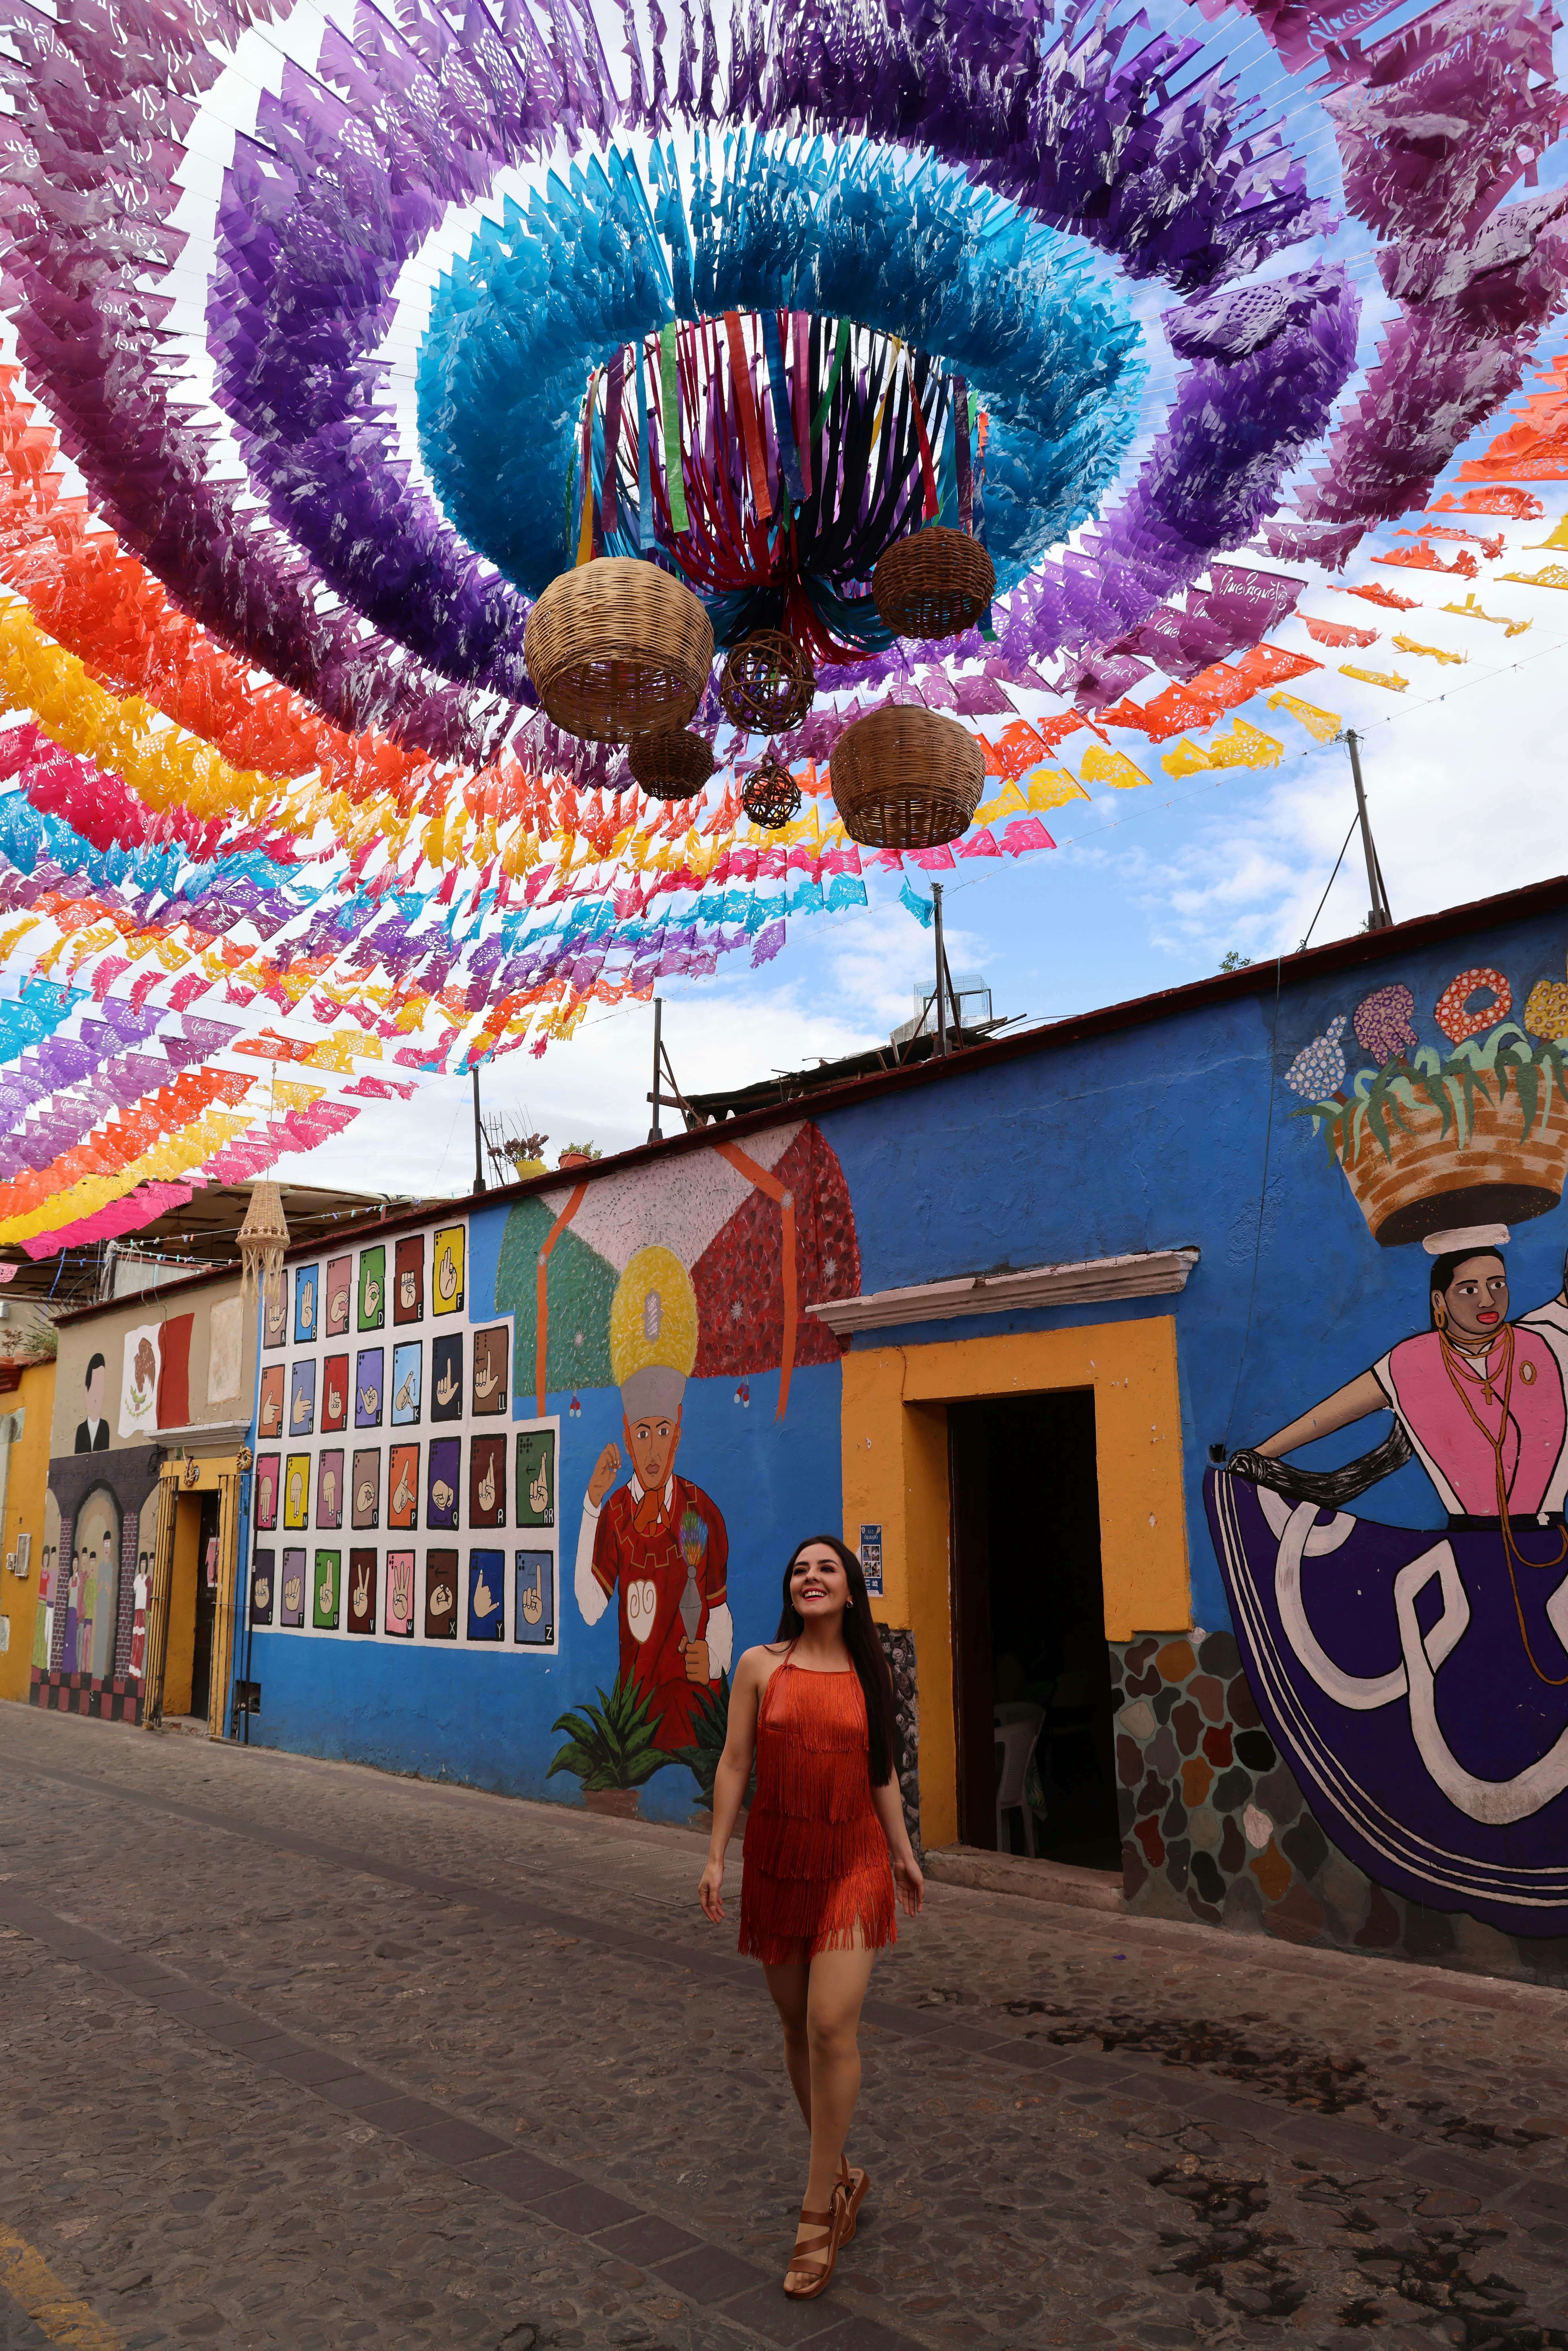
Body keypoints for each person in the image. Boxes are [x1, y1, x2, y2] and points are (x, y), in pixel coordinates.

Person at [699, 1534, 923, 2301]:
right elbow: (734, 1763)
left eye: (827, 1567)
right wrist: (716, 1854)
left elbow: (882, 1770)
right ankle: (843, 2175)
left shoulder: (872, 1673)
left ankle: (816, 2210)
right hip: (777, 1863)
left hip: (853, 1863)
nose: (811, 1577)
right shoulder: (762, 1664)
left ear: (850, 1592)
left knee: (832, 2024)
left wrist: (902, 1854)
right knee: (795, 2025)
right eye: (800, 1568)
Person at [575, 1247, 730, 1751]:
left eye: (662, 1430)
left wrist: (715, 1655)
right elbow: (590, 1606)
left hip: (694, 1712)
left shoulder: (701, 1511)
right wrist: (591, 1505)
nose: (652, 1448)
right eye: (642, 1433)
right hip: (634, 1723)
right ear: (625, 1431)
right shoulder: (616, 1511)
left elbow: (719, 1608)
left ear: (678, 1432)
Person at [74, 1354, 109, 1453]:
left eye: (101, 1389)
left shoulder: (105, 1427)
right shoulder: (81, 1430)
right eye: (95, 1389)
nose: (98, 1399)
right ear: (86, 1393)